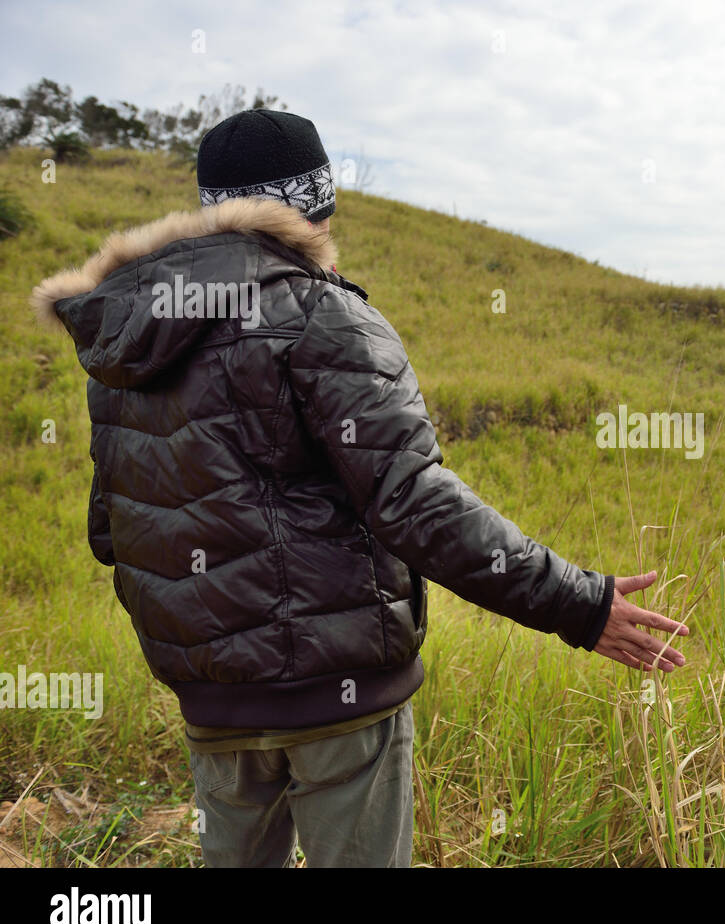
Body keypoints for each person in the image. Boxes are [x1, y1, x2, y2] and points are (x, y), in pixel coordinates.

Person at [30, 109, 688, 867]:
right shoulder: (321, 314)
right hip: (337, 697)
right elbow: (414, 501)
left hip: (211, 702)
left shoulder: (124, 331)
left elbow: (111, 531)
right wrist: (580, 601)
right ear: (316, 208)